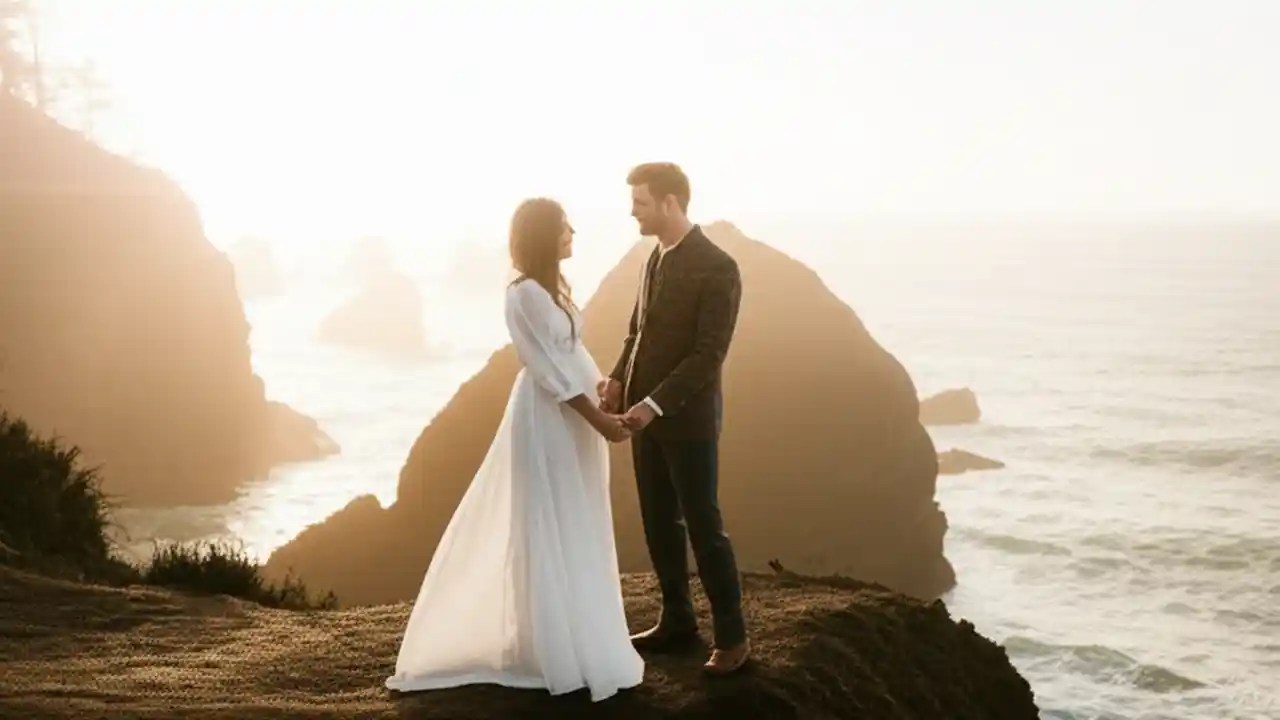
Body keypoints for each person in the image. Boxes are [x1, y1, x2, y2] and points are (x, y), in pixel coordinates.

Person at [385, 197, 644, 702]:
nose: (573, 231)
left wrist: (605, 386)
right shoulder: (524, 294)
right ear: (544, 234)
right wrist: (601, 422)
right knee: (548, 519)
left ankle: (569, 635)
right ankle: (549, 648)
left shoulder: (552, 291)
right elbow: (549, 371)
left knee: (574, 518)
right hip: (549, 418)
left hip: (572, 416)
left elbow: (571, 355)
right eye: (564, 226)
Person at [599, 162, 750, 675]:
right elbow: (635, 331)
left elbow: (709, 354)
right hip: (643, 417)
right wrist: (618, 379)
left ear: (669, 202)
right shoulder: (653, 258)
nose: (633, 211)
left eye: (640, 202)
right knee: (659, 522)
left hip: (688, 423)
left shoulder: (719, 266)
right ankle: (677, 620)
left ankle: (733, 638)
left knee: (704, 525)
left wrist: (653, 404)